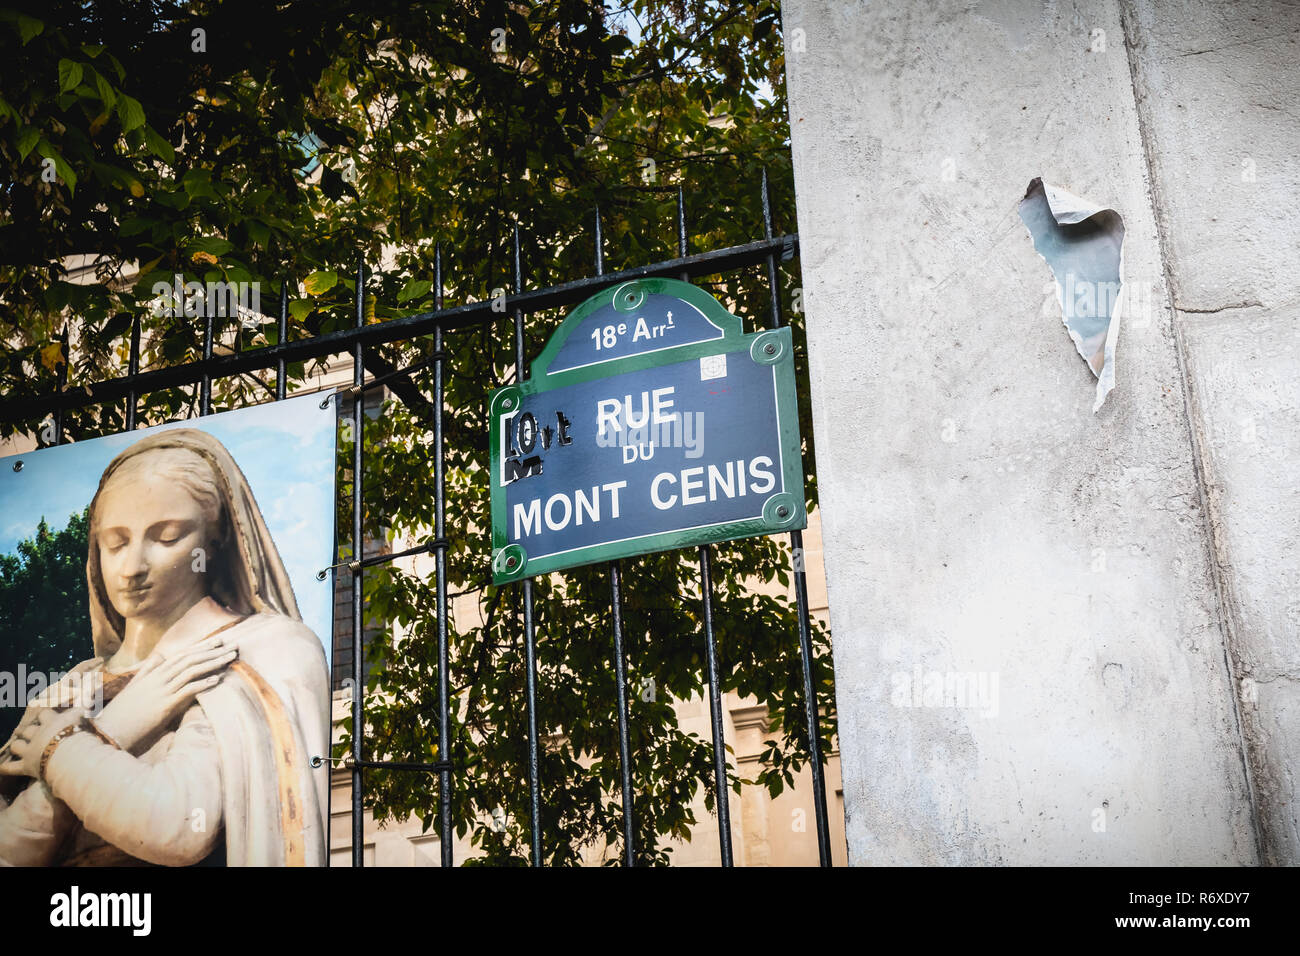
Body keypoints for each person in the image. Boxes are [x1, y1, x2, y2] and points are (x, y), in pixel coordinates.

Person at [0, 428, 330, 866]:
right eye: (115, 543)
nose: (132, 567)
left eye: (168, 537)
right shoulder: (67, 689)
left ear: (215, 544)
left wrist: (59, 752)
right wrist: (113, 728)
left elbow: (176, 826)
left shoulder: (256, 651)